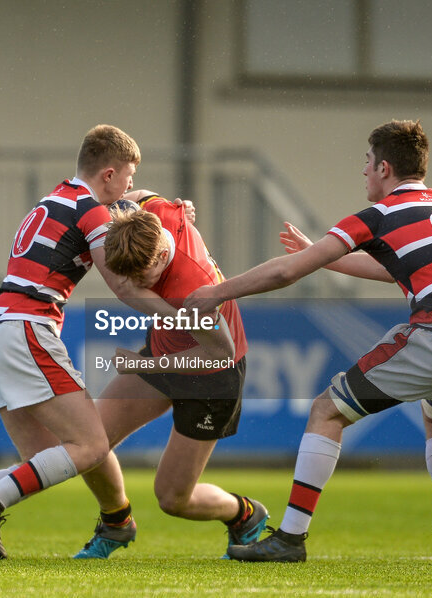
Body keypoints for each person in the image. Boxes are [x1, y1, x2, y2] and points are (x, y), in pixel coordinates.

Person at [186, 120, 432, 564]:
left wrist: (218, 292)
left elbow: (286, 272)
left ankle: (290, 538)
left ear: (383, 167)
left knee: (326, 410)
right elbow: (399, 267)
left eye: (366, 163)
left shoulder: (379, 214)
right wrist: (327, 259)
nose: (363, 172)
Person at [0, 125, 184, 560]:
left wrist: (164, 208)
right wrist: (183, 316)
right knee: (92, 444)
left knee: (48, 457)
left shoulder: (56, 198)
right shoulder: (91, 211)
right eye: (128, 175)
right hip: (28, 327)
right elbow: (123, 285)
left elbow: (126, 201)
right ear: (107, 173)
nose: (130, 185)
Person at [71, 191, 268, 560]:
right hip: (165, 349)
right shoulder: (154, 217)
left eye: (140, 276)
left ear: (163, 256)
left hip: (212, 375)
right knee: (88, 443)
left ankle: (245, 515)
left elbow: (217, 353)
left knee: (173, 498)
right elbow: (141, 195)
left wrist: (142, 365)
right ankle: (116, 524)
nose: (131, 285)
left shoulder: (194, 290)